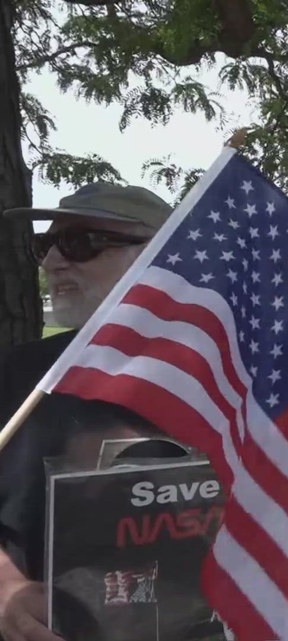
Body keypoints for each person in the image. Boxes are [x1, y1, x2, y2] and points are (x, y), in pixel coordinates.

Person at [0, 182, 174, 641]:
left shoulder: (231, 376)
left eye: (80, 242)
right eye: (46, 245)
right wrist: (5, 587)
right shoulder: (19, 374)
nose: (51, 261)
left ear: (161, 255)